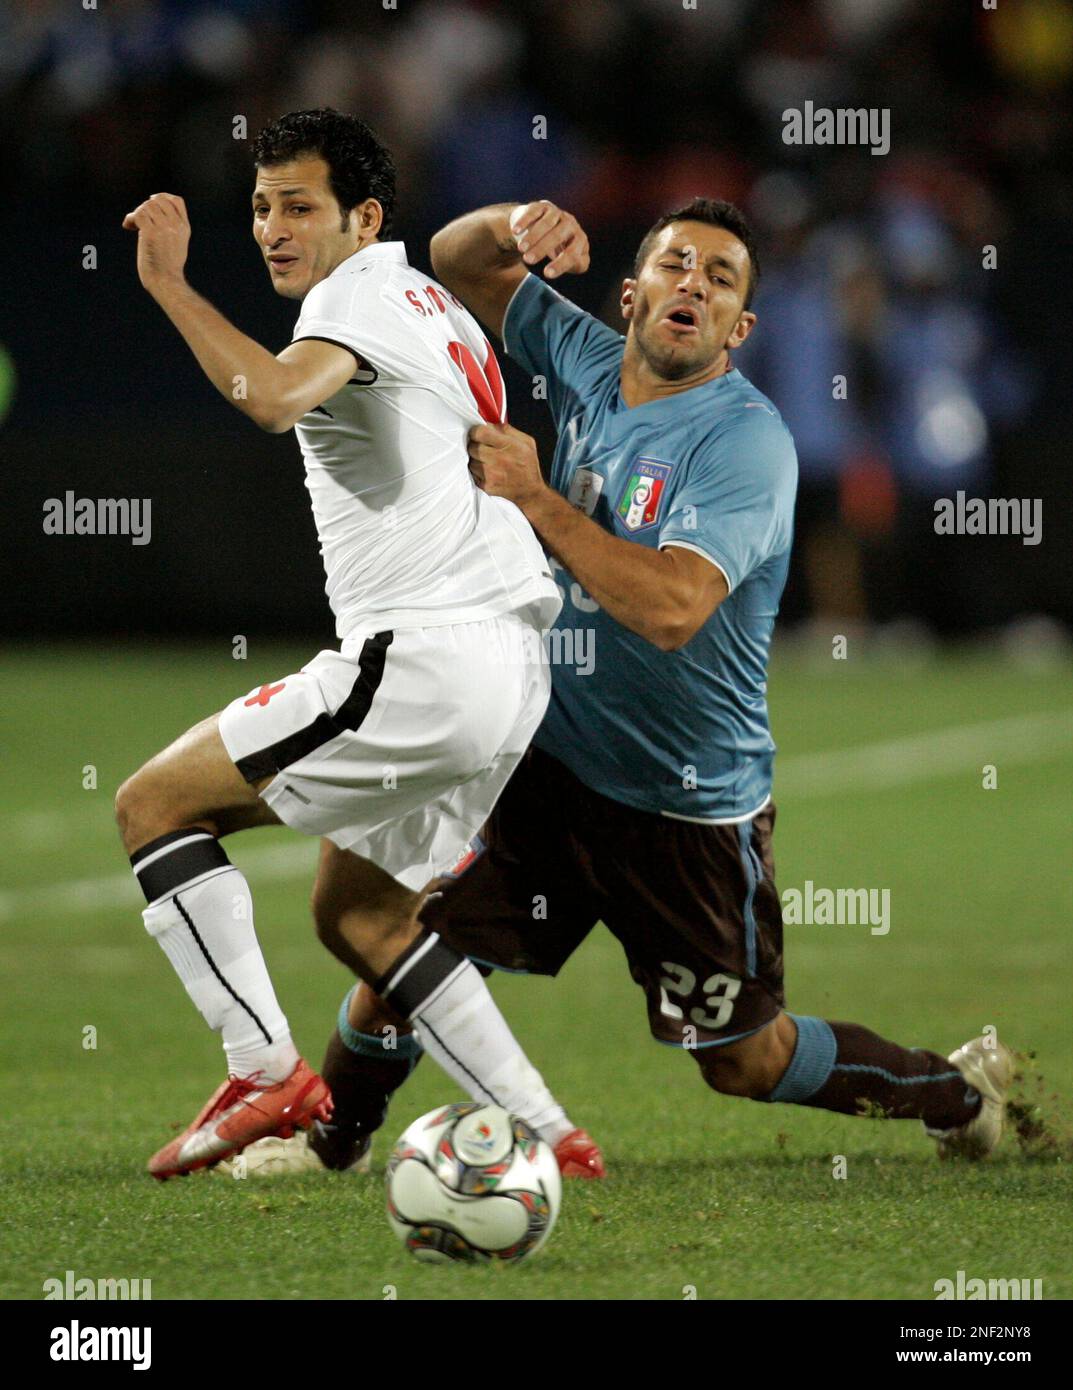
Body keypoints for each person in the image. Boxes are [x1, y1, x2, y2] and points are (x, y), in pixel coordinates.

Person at [241, 194, 1013, 1177]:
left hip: (683, 808)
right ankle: (332, 1142)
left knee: (743, 1059)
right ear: (631, 291)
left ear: (740, 327)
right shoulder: (588, 360)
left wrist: (534, 497)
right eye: (675, 263)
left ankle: (953, 1093)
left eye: (719, 276)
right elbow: (452, 255)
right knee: (403, 956)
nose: (692, 282)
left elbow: (673, 608)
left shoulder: (745, 443)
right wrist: (520, 220)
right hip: (548, 767)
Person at [115, 109, 602, 1180]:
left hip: (424, 657)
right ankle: (553, 1138)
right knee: (363, 913)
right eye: (259, 207)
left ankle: (264, 1071)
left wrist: (165, 282)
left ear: (362, 217)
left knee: (152, 805)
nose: (272, 228)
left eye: (298, 205)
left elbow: (275, 398)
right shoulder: (433, 302)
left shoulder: (360, 293)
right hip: (509, 666)